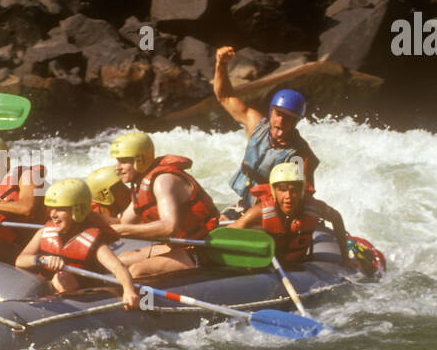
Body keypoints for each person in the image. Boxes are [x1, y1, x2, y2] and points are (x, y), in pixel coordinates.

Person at [211, 45, 319, 215]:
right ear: (271, 111)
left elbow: (302, 194)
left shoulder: (299, 156)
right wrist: (221, 65)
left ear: (297, 121)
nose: (281, 120)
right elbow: (225, 96)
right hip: (243, 204)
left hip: (271, 212)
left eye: (289, 117)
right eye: (278, 113)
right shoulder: (255, 124)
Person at [107, 130, 223, 278]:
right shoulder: (141, 183)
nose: (117, 167)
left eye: (123, 161)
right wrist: (87, 219)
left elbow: (169, 227)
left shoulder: (163, 181)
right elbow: (123, 222)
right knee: (121, 260)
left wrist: (122, 229)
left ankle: (140, 300)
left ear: (140, 160)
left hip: (201, 247)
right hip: (179, 245)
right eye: (117, 161)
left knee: (137, 270)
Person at [15, 178, 139, 309]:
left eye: (60, 209)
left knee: (62, 278)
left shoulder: (93, 241)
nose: (53, 214)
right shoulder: (44, 232)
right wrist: (41, 259)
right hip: (45, 292)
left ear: (78, 211)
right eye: (51, 209)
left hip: (81, 298)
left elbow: (118, 267)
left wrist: (129, 290)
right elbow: (20, 260)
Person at [228, 161, 354, 267]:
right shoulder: (259, 211)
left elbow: (336, 218)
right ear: (274, 191)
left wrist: (345, 257)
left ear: (302, 192)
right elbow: (231, 231)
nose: (288, 197)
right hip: (267, 263)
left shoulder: (315, 207)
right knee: (258, 231)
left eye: (294, 191)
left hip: (297, 263)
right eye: (282, 190)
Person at [0, 134, 47, 263]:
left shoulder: (26, 175)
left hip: (42, 246)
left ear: (6, 159)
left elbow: (26, 208)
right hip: (15, 252)